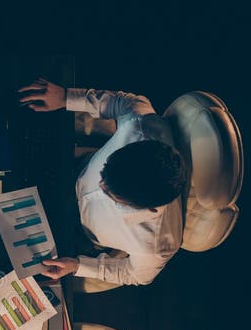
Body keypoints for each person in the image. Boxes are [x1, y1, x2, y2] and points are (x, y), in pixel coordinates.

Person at [17, 80, 187, 286]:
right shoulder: (143, 126)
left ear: (149, 209)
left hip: (76, 232)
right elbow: (125, 102)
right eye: (105, 172)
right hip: (71, 168)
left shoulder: (156, 244)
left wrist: (77, 266)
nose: (101, 184)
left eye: (112, 194)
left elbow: (134, 275)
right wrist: (65, 97)